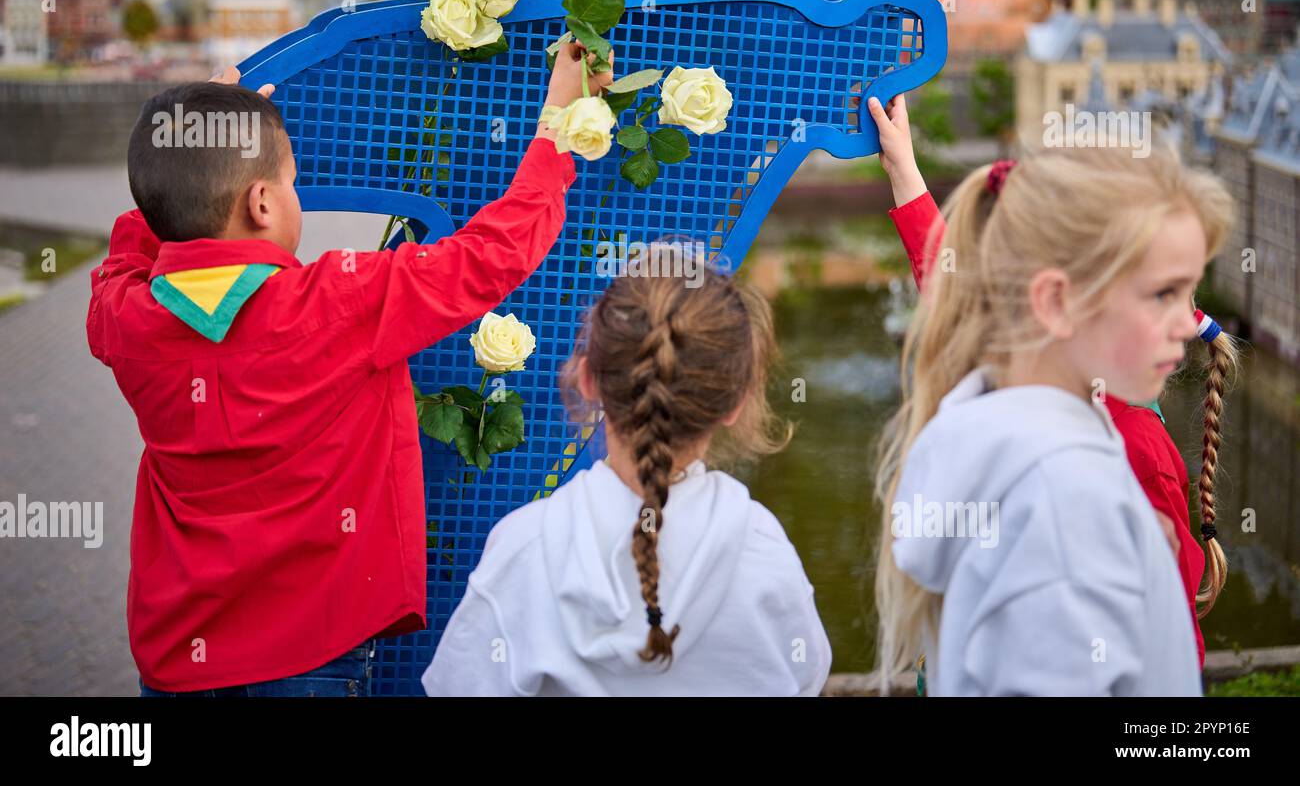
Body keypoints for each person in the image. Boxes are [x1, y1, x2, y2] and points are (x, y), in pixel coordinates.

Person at [88, 46, 613, 695]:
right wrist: (557, 119)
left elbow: (127, 254)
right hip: (311, 657)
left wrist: (191, 148)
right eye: (290, 182)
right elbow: (492, 255)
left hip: (176, 660)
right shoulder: (336, 302)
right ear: (261, 203)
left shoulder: (125, 320)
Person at [864, 94, 1234, 695]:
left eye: (1188, 292)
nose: (1190, 323)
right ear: (1056, 303)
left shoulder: (993, 393)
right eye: (1163, 294)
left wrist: (904, 171)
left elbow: (956, 297)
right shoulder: (1131, 453)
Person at [422, 246, 832, 695]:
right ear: (736, 402)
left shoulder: (526, 549)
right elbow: (806, 677)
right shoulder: (763, 549)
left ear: (588, 380)